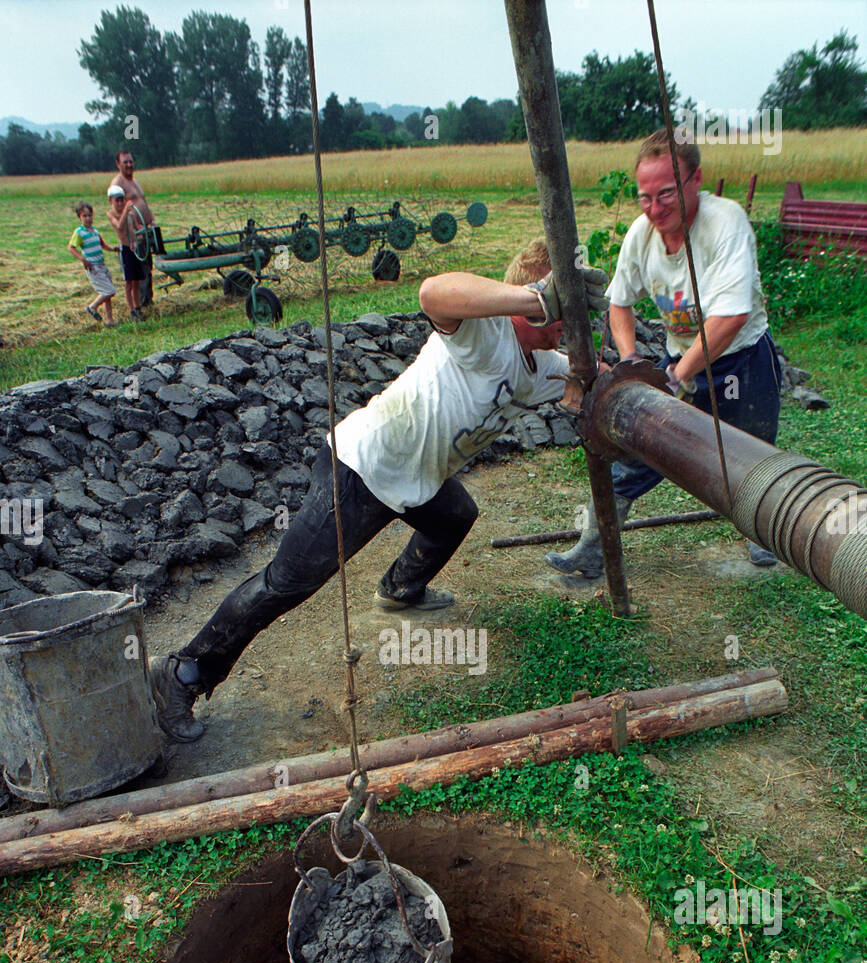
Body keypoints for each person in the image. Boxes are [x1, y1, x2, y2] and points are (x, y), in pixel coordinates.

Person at [150, 238, 607, 743]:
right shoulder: (485, 332)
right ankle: (182, 673)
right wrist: (536, 300)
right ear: (525, 295)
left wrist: (603, 369)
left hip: (416, 479)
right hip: (362, 467)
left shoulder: (540, 366)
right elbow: (433, 293)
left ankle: (399, 588)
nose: (567, 319)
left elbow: (597, 380)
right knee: (287, 583)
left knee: (455, 515)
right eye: (560, 307)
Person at [546, 128, 779, 584]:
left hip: (742, 360)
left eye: (666, 194)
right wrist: (633, 363)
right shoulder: (642, 234)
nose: (655, 208)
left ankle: (761, 532)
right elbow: (619, 302)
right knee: (638, 453)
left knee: (753, 458)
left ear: (695, 180)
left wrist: (678, 376)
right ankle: (593, 549)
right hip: (679, 361)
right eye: (645, 197)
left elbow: (731, 317)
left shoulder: (725, 223)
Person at [107, 149, 155, 318]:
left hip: (144, 230)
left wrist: (151, 220)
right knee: (134, 276)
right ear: (118, 164)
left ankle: (147, 300)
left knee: (146, 268)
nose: (129, 164)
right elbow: (117, 209)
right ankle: (138, 305)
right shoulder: (117, 183)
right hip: (132, 238)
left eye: (130, 161)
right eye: (125, 162)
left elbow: (142, 201)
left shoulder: (134, 181)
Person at [67, 200, 118, 326]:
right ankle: (92, 307)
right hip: (93, 267)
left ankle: (109, 320)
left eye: (90, 215)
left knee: (107, 295)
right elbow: (71, 248)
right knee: (109, 291)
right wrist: (83, 259)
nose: (88, 218)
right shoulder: (79, 232)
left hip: (102, 264)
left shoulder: (95, 231)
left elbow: (102, 245)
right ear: (79, 217)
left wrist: (113, 249)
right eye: (84, 216)